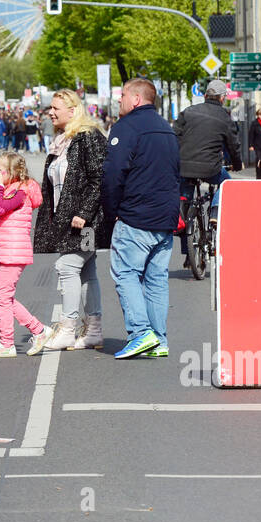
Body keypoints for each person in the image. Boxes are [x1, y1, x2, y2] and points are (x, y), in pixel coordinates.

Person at [102, 78, 182, 359]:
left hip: (136, 215)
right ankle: (159, 339)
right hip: (165, 217)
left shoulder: (126, 128)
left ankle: (140, 332)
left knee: (126, 273)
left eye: (123, 95)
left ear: (136, 99)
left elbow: (113, 174)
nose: (119, 100)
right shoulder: (166, 129)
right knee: (157, 279)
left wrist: (112, 212)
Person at [33, 89, 111, 352]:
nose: (51, 112)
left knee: (67, 266)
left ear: (73, 110)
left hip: (86, 221)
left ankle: (67, 328)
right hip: (68, 220)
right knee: (87, 271)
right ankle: (94, 331)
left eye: (56, 108)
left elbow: (98, 178)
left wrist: (84, 212)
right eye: (50, 108)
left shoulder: (88, 137)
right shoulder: (64, 140)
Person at [0, 152, 51, 357]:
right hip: (8, 250)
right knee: (5, 297)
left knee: (2, 296)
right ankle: (39, 330)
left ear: (11, 172)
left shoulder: (19, 192)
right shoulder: (15, 189)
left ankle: (7, 343)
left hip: (13, 251)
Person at [173, 78, 242, 269]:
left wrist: (178, 158)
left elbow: (175, 135)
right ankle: (215, 211)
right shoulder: (224, 117)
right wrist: (237, 163)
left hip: (184, 167)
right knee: (228, 184)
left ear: (205, 96)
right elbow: (233, 145)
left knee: (185, 206)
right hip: (210, 168)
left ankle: (188, 255)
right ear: (222, 99)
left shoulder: (188, 112)